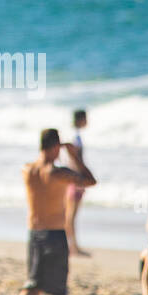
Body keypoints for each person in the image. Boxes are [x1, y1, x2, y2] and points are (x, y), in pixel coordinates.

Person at [18, 129, 96, 295]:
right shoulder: (57, 173)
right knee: (58, 292)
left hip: (34, 233)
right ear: (56, 147)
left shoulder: (27, 170)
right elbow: (90, 181)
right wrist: (75, 156)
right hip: (54, 234)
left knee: (33, 285)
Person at [64, 109, 89, 256]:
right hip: (75, 179)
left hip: (71, 179)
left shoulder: (72, 136)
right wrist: (81, 179)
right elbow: (76, 161)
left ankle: (73, 246)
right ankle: (73, 248)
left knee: (70, 216)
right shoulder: (76, 138)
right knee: (71, 216)